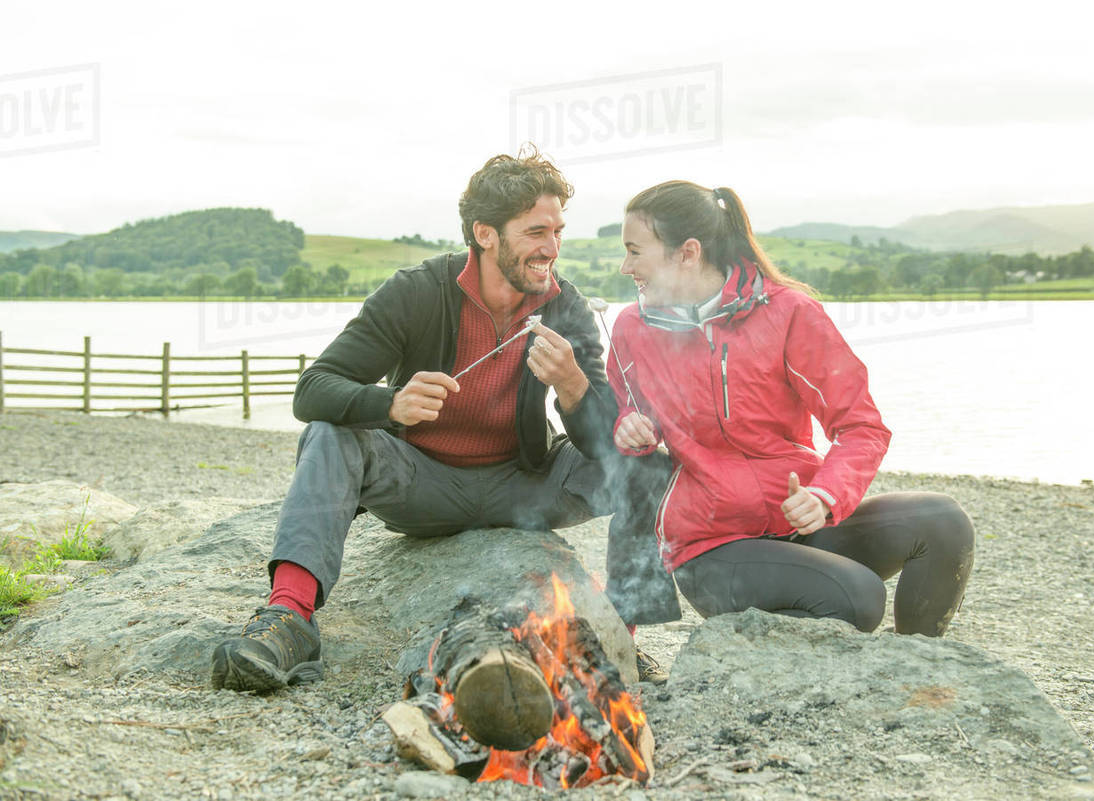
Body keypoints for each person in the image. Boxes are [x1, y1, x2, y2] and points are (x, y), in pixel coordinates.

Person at [211, 148, 623, 692]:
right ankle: (289, 619)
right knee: (330, 434)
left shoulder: (566, 306)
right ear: (485, 234)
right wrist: (390, 404)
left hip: (524, 486)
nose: (551, 248)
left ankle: (625, 632)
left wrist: (572, 384)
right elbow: (313, 389)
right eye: (535, 232)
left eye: (558, 231)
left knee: (643, 464)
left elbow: (605, 446)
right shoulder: (417, 292)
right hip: (421, 486)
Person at [606, 180, 975, 636]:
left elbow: (861, 426)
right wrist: (629, 426)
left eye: (635, 251)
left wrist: (825, 496)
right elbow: (627, 409)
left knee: (942, 522)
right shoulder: (631, 329)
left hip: (797, 524)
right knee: (859, 596)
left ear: (688, 252)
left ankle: (920, 675)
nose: (626, 266)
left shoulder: (789, 314)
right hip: (712, 547)